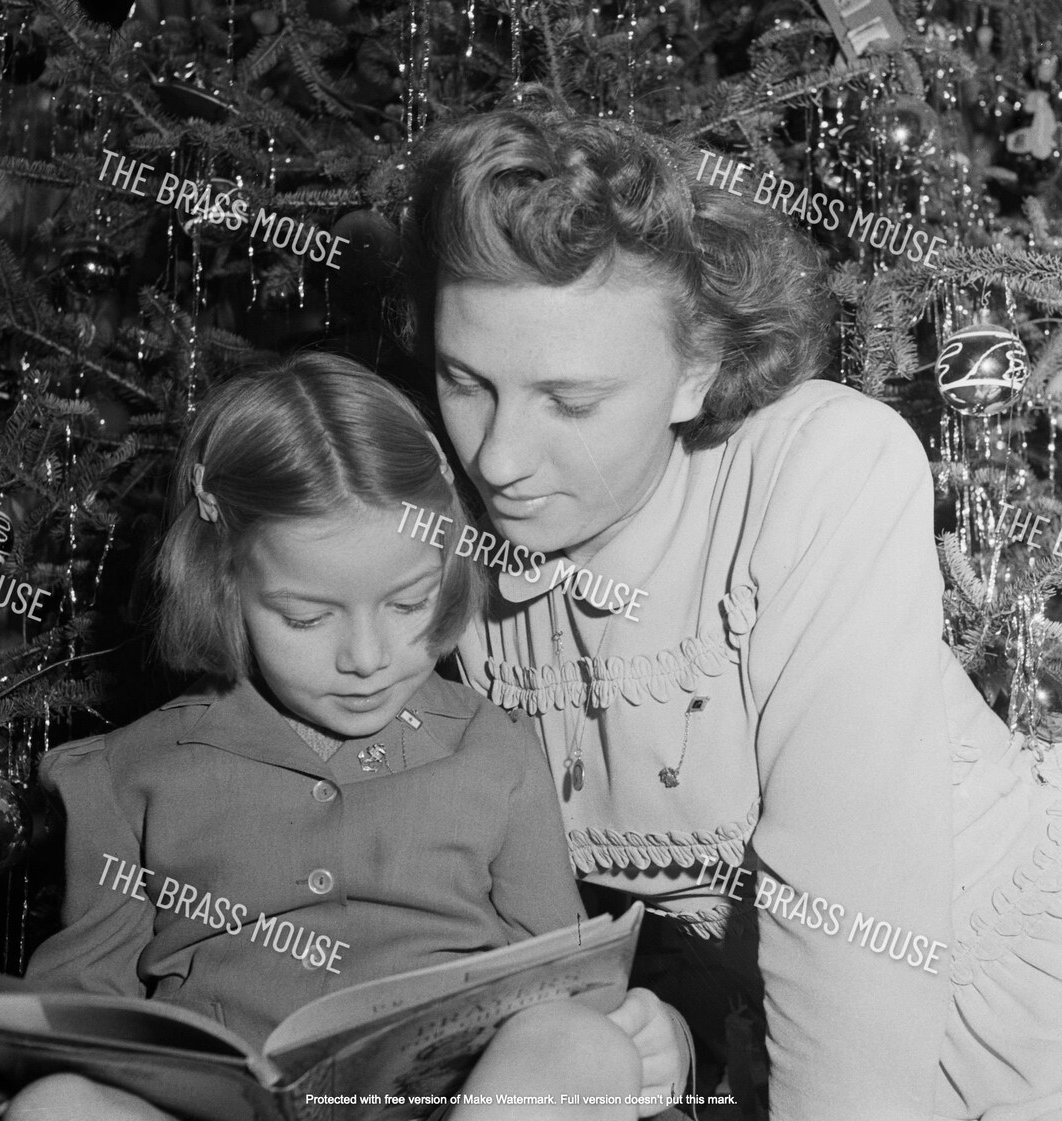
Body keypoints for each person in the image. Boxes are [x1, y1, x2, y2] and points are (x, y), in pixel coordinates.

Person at [402, 95, 1062, 1121]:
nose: (497, 457)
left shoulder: (820, 468)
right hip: (776, 1041)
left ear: (695, 369)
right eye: (465, 381)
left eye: (569, 402)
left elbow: (844, 920)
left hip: (996, 1027)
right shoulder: (476, 563)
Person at [3, 355, 690, 1121]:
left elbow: (573, 981)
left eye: (407, 603)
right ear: (222, 582)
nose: (366, 658)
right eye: (307, 618)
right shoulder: (126, 777)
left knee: (577, 1043)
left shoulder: (494, 752)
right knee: (56, 1103)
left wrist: (650, 1038)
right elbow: (78, 1011)